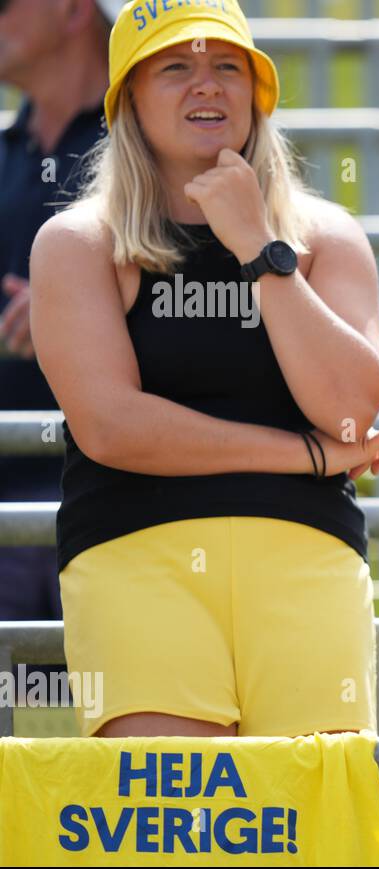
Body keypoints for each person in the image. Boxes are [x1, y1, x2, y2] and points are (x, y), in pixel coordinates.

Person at [28, 0, 379, 738]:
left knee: (312, 828)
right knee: (179, 829)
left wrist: (261, 248)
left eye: (227, 66)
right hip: (136, 555)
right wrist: (306, 455)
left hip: (306, 552)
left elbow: (353, 410)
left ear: (257, 94)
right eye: (176, 67)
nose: (207, 85)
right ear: (129, 98)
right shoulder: (76, 241)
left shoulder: (324, 236)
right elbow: (111, 427)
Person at [0, 0, 111, 646]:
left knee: (131, 739)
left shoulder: (153, 150)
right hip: (10, 492)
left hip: (119, 495)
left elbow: (221, 300)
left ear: (72, 9)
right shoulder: (9, 152)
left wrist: (74, 309)